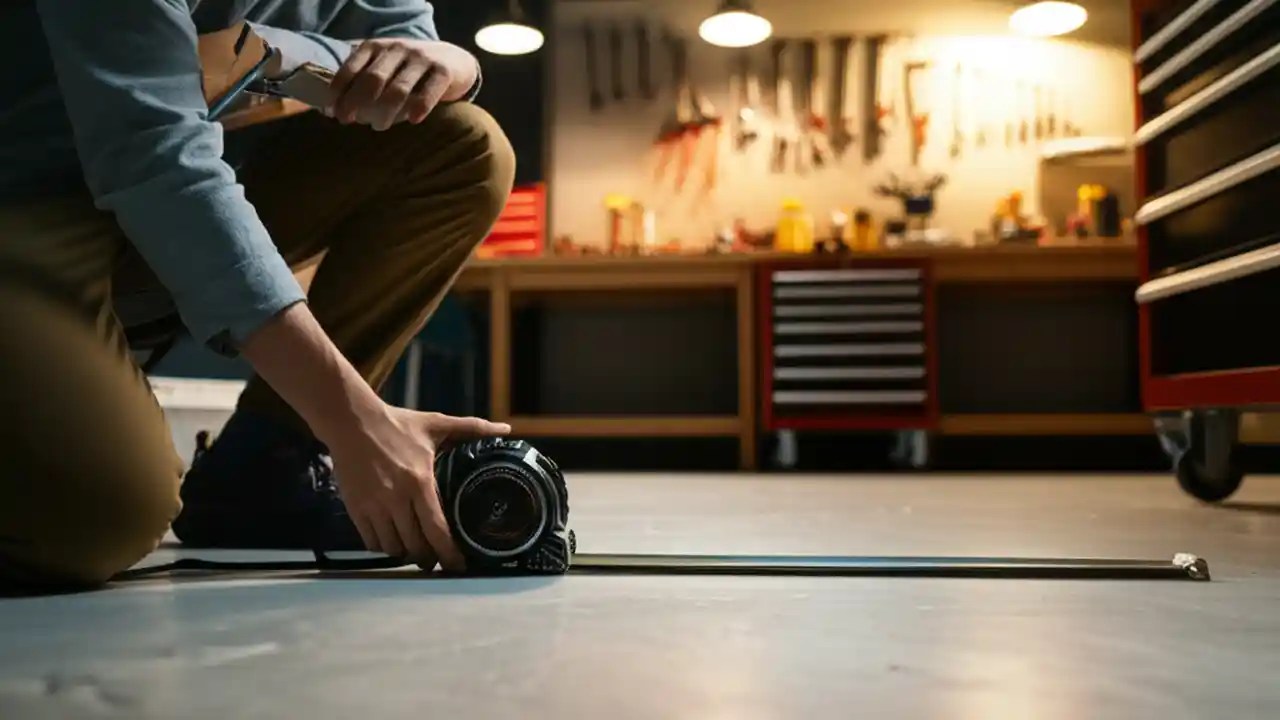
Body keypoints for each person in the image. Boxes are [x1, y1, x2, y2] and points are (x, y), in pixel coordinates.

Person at [0, 1, 516, 591]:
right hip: (25, 195)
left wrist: (460, 63)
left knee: (463, 147)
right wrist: (355, 422)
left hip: (151, 179)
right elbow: (159, 163)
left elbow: (406, 46)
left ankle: (261, 472)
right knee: (94, 521)